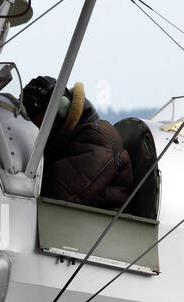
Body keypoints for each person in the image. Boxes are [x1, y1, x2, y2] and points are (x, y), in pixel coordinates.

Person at [21, 75, 134, 210]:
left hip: (100, 225)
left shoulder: (98, 141)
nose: (39, 129)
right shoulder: (69, 135)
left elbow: (57, 195)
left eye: (41, 122)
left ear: (61, 109)